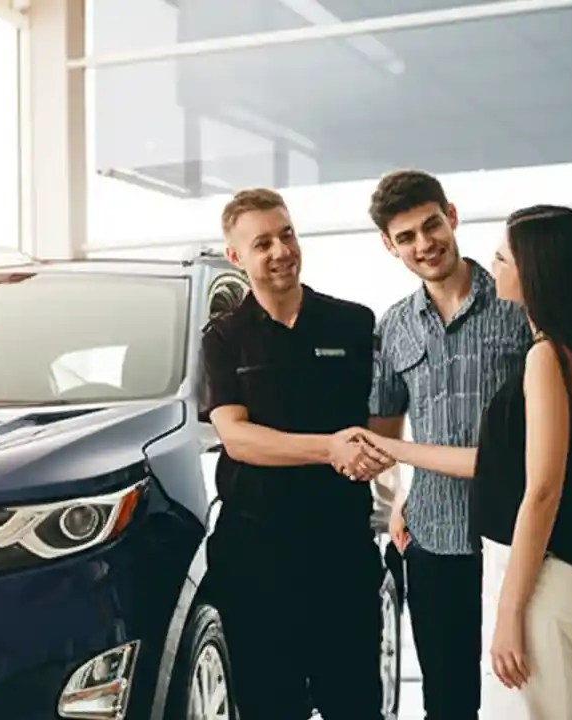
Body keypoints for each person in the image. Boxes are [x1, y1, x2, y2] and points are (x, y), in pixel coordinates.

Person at [358, 205, 572, 720]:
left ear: (535, 271)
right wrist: (405, 477)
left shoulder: (542, 355)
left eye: (502, 257)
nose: (492, 265)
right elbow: (518, 466)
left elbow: (539, 490)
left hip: (543, 577)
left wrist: (508, 611)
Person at [201, 187, 393, 720]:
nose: (281, 250)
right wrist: (330, 447)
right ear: (237, 257)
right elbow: (237, 437)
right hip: (256, 557)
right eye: (263, 243)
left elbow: (383, 420)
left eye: (286, 235)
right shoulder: (223, 338)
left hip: (342, 551)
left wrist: (387, 471)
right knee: (270, 707)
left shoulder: (352, 324)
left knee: (354, 704)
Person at [365, 170, 532, 720]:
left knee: (529, 688)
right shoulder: (392, 329)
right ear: (390, 247)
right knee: (448, 699)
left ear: (451, 216)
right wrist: (395, 505)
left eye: (430, 225)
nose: (424, 244)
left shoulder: (517, 307)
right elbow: (385, 437)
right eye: (406, 236)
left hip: (517, 533)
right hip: (433, 538)